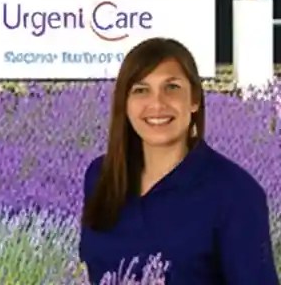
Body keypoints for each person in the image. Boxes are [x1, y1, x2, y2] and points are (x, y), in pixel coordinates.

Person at [79, 37, 278, 284]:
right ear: (125, 103)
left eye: (171, 87)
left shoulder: (234, 193)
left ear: (194, 99)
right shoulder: (100, 176)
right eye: (141, 90)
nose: (157, 104)